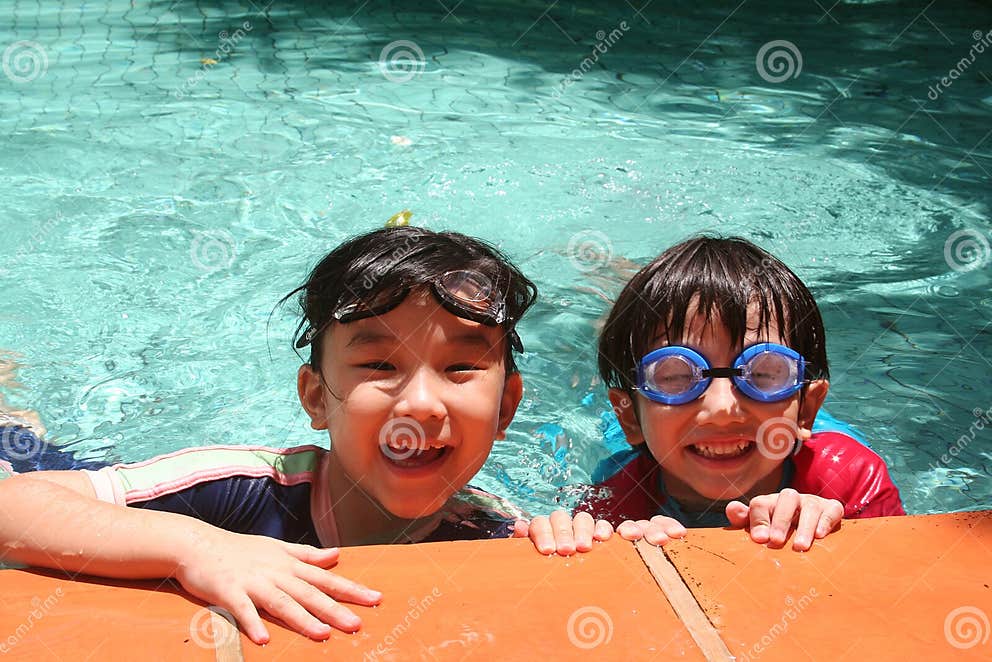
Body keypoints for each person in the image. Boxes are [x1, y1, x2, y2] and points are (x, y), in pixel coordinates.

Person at [0, 226, 538, 645]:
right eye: (379, 365)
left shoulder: (494, 533)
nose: (420, 403)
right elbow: (12, 508)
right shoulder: (241, 489)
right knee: (20, 449)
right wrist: (197, 548)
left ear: (506, 407)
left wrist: (565, 540)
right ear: (316, 397)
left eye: (460, 367)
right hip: (58, 478)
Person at [528, 236, 904, 556]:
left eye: (763, 372)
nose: (723, 408)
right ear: (629, 418)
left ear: (807, 408)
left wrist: (835, 527)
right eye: (675, 376)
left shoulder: (850, 479)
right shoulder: (616, 500)